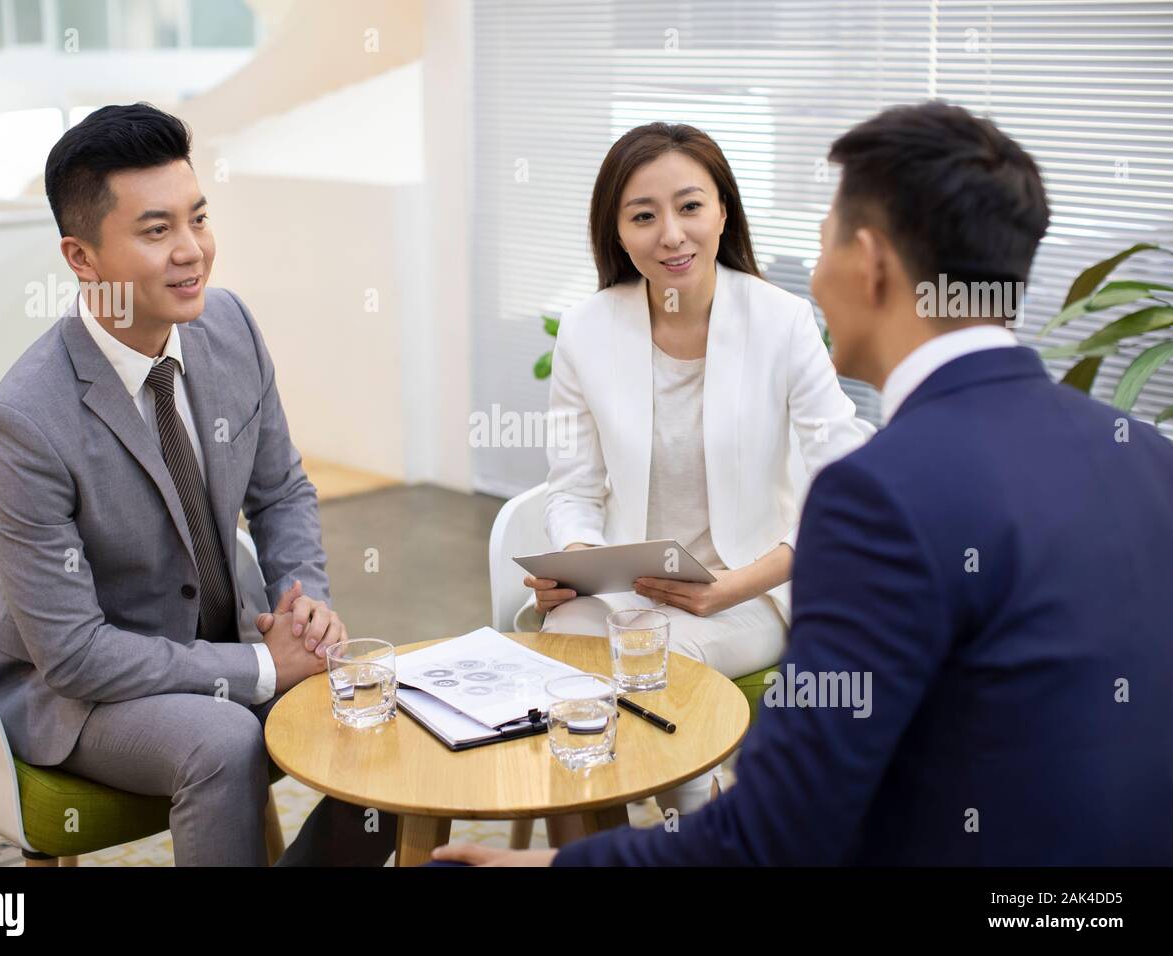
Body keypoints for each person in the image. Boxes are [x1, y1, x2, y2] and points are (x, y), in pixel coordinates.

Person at [436, 100, 1173, 866]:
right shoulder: (1148, 457)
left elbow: (775, 834)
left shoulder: (877, 493)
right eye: (644, 215)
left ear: (869, 262)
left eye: (822, 241)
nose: (813, 278)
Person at [0, 103, 395, 866]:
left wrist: (304, 607)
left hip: (226, 641)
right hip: (85, 697)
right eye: (155, 230)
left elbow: (281, 492)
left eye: (197, 218)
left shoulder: (227, 325)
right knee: (225, 738)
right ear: (82, 256)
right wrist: (264, 668)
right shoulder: (24, 421)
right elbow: (72, 655)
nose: (192, 251)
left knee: (382, 704)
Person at [524, 122, 872, 815]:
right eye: (643, 216)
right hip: (626, 596)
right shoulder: (588, 331)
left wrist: (736, 585)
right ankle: (606, 842)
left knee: (647, 667)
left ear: (723, 213)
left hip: (747, 596)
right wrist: (580, 560)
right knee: (565, 659)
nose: (671, 234)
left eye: (690, 206)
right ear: (617, 232)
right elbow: (574, 488)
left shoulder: (781, 321)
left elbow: (846, 486)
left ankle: (694, 826)